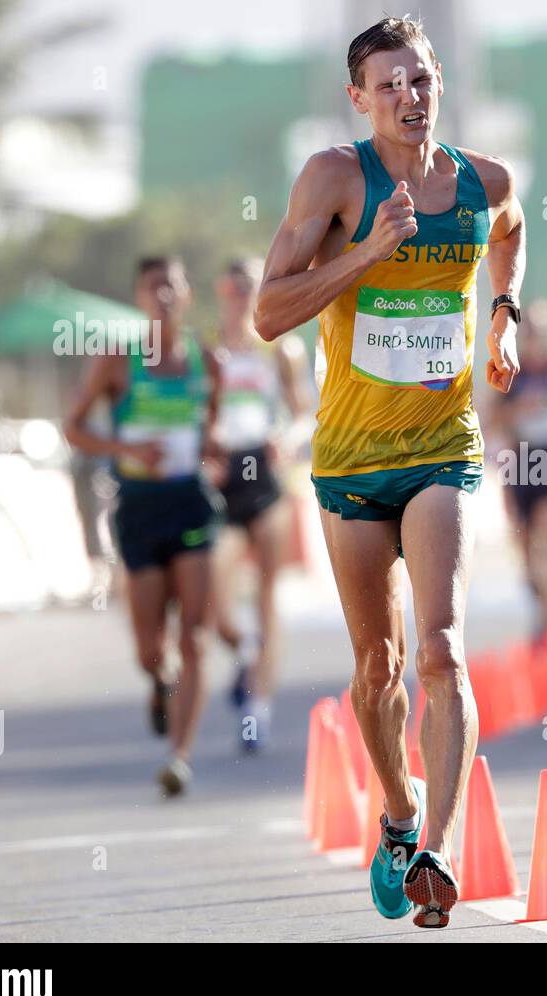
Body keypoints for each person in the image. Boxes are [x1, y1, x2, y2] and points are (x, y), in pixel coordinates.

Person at [254, 16, 524, 928]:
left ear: (439, 81)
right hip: (351, 462)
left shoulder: (481, 181)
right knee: (381, 665)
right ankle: (401, 815)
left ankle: (441, 855)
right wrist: (368, 253)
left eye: (421, 79)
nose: (410, 97)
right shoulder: (336, 179)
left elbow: (510, 227)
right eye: (390, 84)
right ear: (360, 97)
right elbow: (267, 313)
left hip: (443, 449)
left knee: (442, 649)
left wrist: (506, 314)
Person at [63, 256, 223, 795]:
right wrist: (125, 447)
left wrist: (211, 451)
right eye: (152, 287)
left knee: (195, 636)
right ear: (138, 297)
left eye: (171, 286)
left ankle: (179, 756)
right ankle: (160, 680)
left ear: (187, 295)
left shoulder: (204, 359)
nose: (163, 296)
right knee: (150, 648)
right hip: (138, 507)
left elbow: (212, 425)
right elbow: (74, 428)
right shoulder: (117, 360)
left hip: (190, 504)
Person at [209, 258, 311, 752]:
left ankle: (258, 713)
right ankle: (244, 648)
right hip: (223, 475)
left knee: (268, 597)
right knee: (216, 601)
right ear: (219, 292)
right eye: (232, 287)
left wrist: (287, 439)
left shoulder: (280, 350)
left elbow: (304, 413)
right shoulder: (207, 352)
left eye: (249, 286)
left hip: (266, 476)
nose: (240, 296)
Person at [489, 299, 547, 636]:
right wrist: (520, 410)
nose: (537, 338)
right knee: (526, 547)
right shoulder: (512, 371)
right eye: (532, 332)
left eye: (543, 332)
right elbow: (493, 419)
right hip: (521, 464)